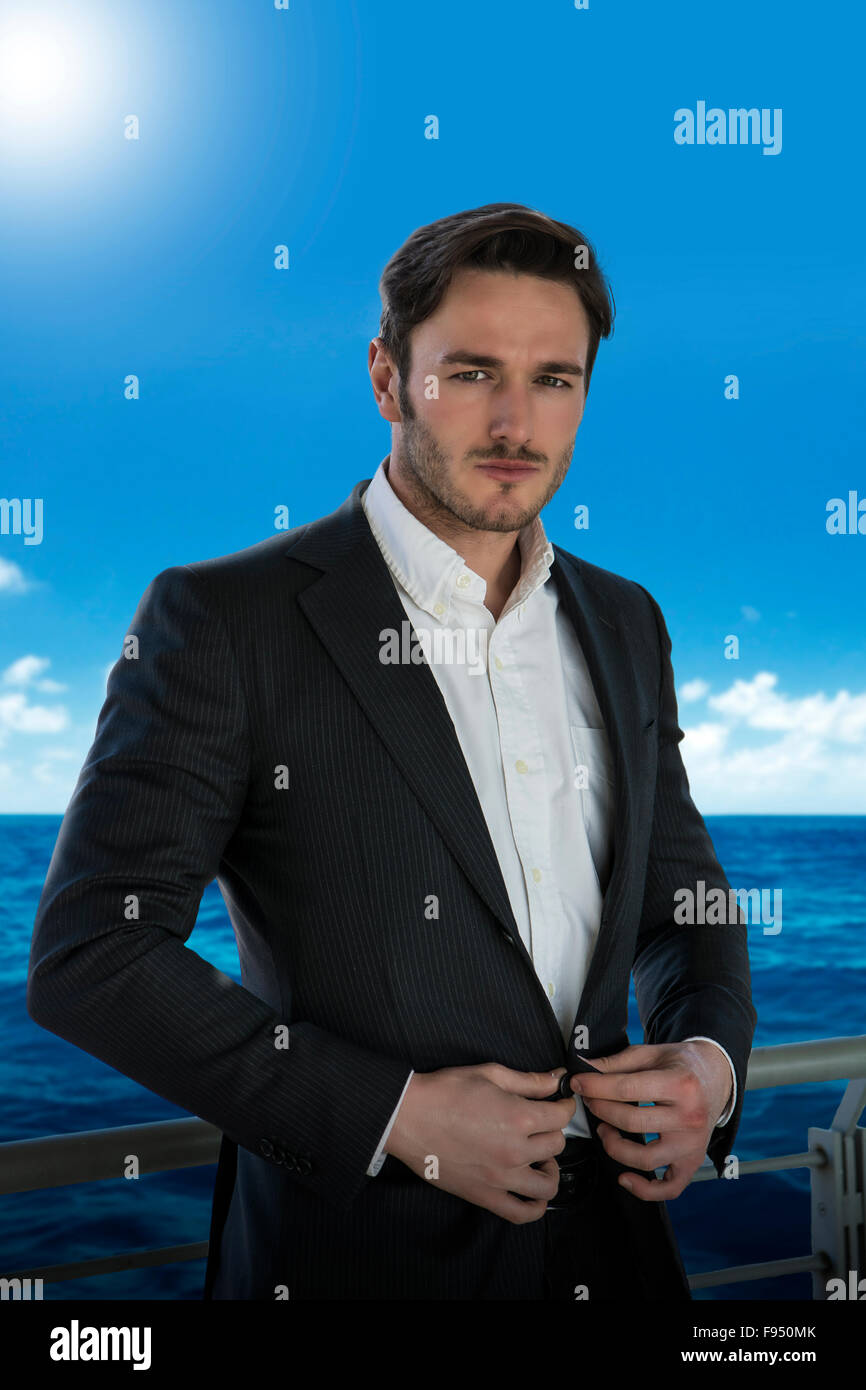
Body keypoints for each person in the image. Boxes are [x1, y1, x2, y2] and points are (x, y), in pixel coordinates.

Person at [28, 202, 757, 1301]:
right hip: (350, 1266)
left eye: (553, 379)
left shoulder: (624, 620)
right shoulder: (222, 619)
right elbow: (93, 954)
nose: (515, 420)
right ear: (385, 378)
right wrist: (393, 1116)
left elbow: (677, 905)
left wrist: (707, 1063)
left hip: (620, 1264)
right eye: (470, 372)